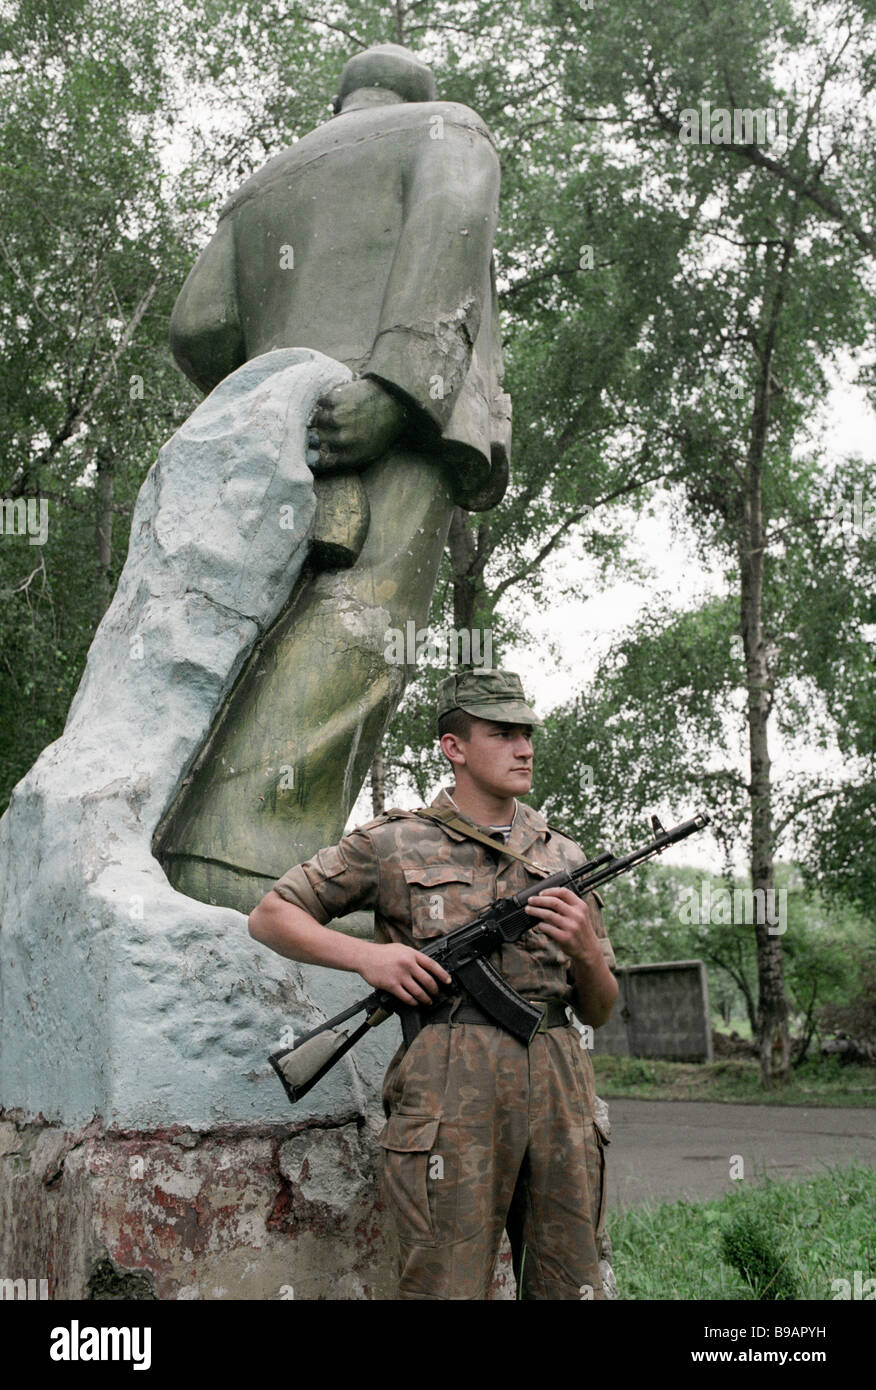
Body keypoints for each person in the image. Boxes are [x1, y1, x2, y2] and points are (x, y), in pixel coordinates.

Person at [159, 44, 512, 912]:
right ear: (414, 92)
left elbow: (198, 324)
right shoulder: (447, 127)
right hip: (385, 428)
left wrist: (275, 399)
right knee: (355, 637)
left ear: (347, 97)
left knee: (249, 636)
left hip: (277, 434)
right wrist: (396, 387)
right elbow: (452, 227)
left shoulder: (263, 185)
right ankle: (248, 868)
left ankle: (183, 845)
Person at [248, 668, 618, 1300]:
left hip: (561, 1085)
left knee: (571, 1285)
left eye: (526, 732)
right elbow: (271, 915)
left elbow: (603, 1010)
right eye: (502, 733)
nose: (524, 747)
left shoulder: (564, 858)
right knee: (443, 1287)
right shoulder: (392, 842)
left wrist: (586, 949)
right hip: (448, 1089)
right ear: (454, 748)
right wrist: (369, 959)